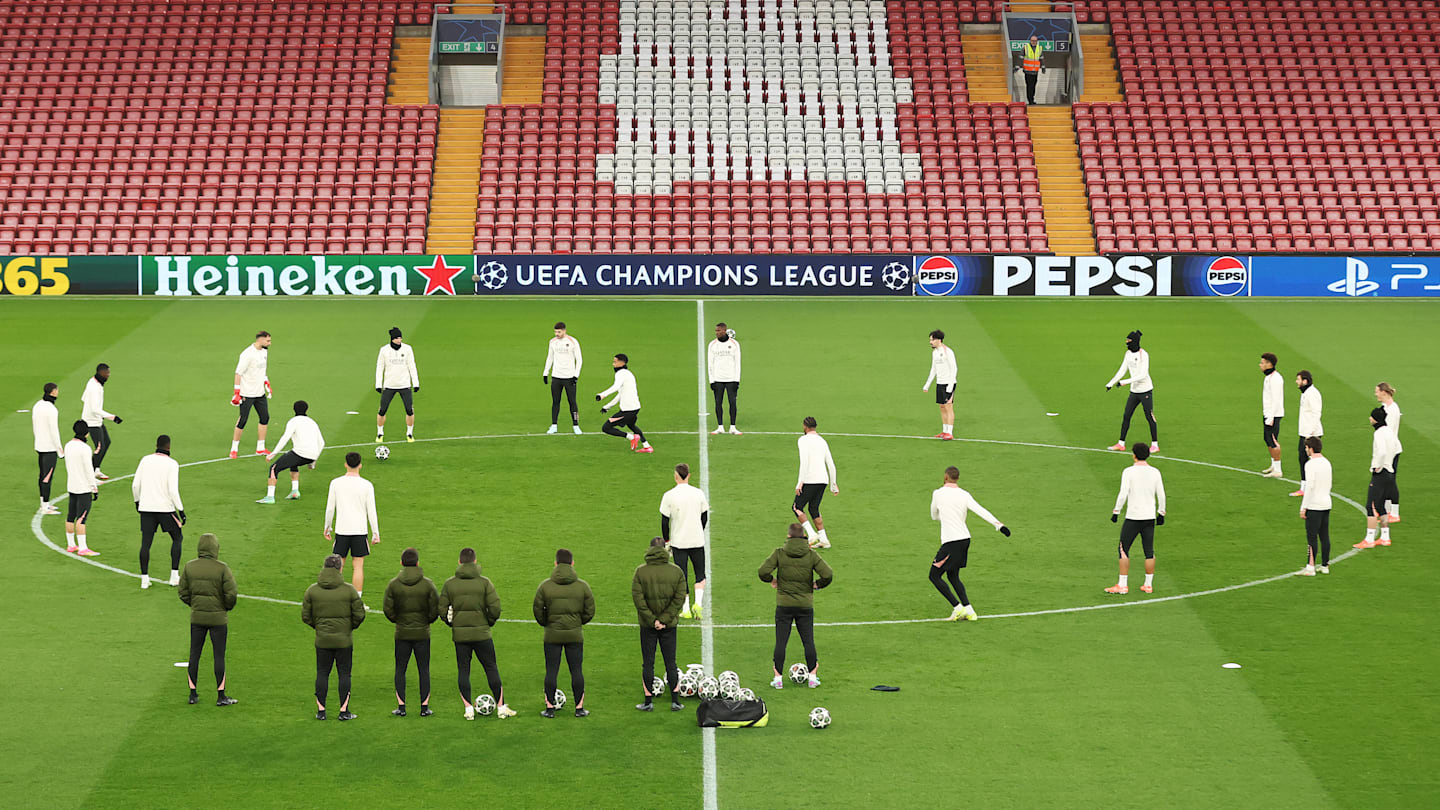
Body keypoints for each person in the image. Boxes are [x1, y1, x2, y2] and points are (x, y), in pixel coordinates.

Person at [440, 547, 516, 720]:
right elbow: (495, 608)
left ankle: (468, 710)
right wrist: (488, 622)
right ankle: (501, 708)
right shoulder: (485, 583)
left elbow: (442, 609)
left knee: (463, 670)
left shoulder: (450, 584)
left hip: (460, 636)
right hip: (482, 635)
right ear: (475, 561)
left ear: (459, 562)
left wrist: (452, 623)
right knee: (491, 668)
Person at [929, 466, 1011, 621]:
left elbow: (934, 516)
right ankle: (970, 610)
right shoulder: (964, 494)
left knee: (934, 575)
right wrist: (999, 525)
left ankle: (958, 608)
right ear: (957, 478)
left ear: (945, 477)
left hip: (951, 541)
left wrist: (944, 516)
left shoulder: (938, 493)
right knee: (953, 576)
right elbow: (980, 510)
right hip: (965, 539)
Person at [758, 523, 833, 689]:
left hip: (784, 605)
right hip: (805, 605)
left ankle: (778, 678)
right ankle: (812, 677)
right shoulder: (811, 554)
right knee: (808, 641)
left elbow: (762, 571)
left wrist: (772, 580)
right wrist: (817, 585)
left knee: (781, 642)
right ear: (804, 536)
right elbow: (828, 574)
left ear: (789, 536)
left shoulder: (779, 553)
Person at [533, 548, 595, 718]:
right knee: (576, 670)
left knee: (551, 671)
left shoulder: (545, 586)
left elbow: (537, 610)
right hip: (575, 635)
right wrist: (577, 622)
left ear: (555, 563)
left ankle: (550, 708)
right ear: (572, 563)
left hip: (552, 635)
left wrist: (547, 623)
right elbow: (590, 610)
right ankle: (579, 708)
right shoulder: (582, 586)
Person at [302, 554, 366, 721]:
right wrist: (348, 628)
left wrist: (319, 627)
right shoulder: (349, 590)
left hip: (322, 640)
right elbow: (360, 614)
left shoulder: (312, 590)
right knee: (344, 674)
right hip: (344, 641)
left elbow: (306, 616)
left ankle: (321, 711)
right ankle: (344, 711)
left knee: (322, 673)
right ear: (340, 568)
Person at [178, 533, 239, 706]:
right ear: (215, 548)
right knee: (218, 656)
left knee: (194, 654)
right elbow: (231, 594)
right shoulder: (222, 568)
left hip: (197, 617)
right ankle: (221, 696)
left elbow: (183, 592)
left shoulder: (190, 567)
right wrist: (225, 608)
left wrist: (195, 605)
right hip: (218, 619)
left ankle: (192, 694)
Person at [631, 537, 688, 712]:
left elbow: (638, 599)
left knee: (648, 663)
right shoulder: (676, 571)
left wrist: (652, 620)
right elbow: (679, 598)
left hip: (647, 626)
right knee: (671, 662)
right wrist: (664, 620)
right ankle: (675, 701)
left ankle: (648, 701)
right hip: (669, 626)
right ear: (665, 550)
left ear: (650, 550)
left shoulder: (640, 572)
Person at [383, 547, 439, 717]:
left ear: (401, 563)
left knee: (400, 669)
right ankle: (424, 707)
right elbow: (435, 609)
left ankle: (401, 707)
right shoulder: (427, 584)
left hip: (402, 633)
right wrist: (426, 621)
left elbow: (388, 609)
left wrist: (399, 621)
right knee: (424, 670)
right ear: (417, 563)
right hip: (422, 633)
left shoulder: (394, 584)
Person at [1105, 443, 1166, 595]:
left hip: (1133, 516)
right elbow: (1161, 494)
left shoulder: (1129, 472)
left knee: (1123, 549)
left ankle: (1122, 585)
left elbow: (1123, 493)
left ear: (1134, 455)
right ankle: (1148, 585)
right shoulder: (1155, 472)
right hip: (1149, 517)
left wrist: (1116, 511)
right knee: (1149, 551)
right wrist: (1161, 513)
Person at [133, 434, 185, 590]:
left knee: (146, 543)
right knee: (177, 537)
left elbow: (135, 485)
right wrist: (181, 510)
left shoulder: (145, 460)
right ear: (169, 447)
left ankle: (144, 579)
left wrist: (137, 502)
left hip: (146, 507)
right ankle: (174, 576)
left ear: (156, 445)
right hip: (165, 508)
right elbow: (173, 490)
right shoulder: (172, 464)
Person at [323, 452, 380, 597]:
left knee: (338, 565)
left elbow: (330, 508)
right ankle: (357, 599)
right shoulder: (367, 485)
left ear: (345, 464)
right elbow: (371, 511)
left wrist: (327, 527)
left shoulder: (336, 483)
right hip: (359, 531)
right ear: (360, 465)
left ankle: (336, 597)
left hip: (342, 530)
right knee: (358, 566)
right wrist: (375, 533)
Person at [660, 462, 710, 620]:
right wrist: (699, 530)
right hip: (697, 540)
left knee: (682, 576)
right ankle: (698, 604)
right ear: (689, 475)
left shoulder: (669, 495)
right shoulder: (698, 493)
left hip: (678, 542)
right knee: (700, 574)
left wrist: (667, 540)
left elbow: (664, 522)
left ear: (676, 477)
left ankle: (686, 609)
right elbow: (704, 516)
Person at [257, 400, 324, 504]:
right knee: (293, 463)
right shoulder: (312, 422)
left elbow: (285, 438)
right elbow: (322, 443)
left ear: (294, 409)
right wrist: (313, 461)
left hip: (301, 452)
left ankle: (270, 497)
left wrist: (273, 453)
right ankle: (295, 491)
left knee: (274, 468)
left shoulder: (293, 421)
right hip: (313, 455)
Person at [1105, 330, 1158, 453]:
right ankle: (1121, 443)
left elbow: (1143, 375)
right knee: (1126, 415)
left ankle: (1155, 444)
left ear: (1135, 341)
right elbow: (1122, 370)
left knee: (1149, 416)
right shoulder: (1128, 354)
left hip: (1145, 391)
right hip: (1134, 391)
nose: (1127, 343)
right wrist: (1111, 383)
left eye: (1129, 341)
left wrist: (1125, 382)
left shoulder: (1144, 355)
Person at [1355, 407, 1400, 550]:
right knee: (1380, 505)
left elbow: (1381, 452)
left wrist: (1377, 466)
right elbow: (1397, 449)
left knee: (1371, 505)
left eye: (1371, 417)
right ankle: (1385, 537)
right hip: (1390, 472)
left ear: (1376, 419)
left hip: (1381, 473)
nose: (1370, 419)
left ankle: (1369, 539)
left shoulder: (1379, 433)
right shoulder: (1389, 431)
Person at [792, 416, 838, 548]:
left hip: (810, 479)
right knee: (813, 509)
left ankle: (812, 534)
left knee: (797, 507)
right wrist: (833, 484)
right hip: (823, 480)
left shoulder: (803, 440)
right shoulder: (822, 441)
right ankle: (824, 539)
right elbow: (831, 464)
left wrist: (800, 482)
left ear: (805, 426)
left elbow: (804, 462)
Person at [597, 353, 652, 453]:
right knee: (631, 425)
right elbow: (620, 395)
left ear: (622, 363)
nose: (613, 364)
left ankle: (631, 437)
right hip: (635, 408)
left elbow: (615, 387)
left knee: (606, 428)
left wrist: (602, 395)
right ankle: (647, 446)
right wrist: (607, 406)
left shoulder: (621, 374)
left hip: (628, 410)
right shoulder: (628, 374)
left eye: (615, 362)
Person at [230, 331, 272, 459]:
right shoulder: (247, 354)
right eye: (268, 341)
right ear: (260, 340)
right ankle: (234, 449)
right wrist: (237, 393)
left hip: (260, 393)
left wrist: (266, 382)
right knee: (243, 420)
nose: (269, 343)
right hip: (247, 393)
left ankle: (260, 447)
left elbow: (262, 370)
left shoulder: (264, 352)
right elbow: (238, 373)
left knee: (265, 417)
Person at [376, 326, 420, 444]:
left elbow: (412, 366)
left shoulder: (407, 349)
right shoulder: (384, 350)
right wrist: (378, 384)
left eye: (400, 338)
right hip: (389, 385)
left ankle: (409, 433)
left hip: (404, 385)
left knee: (409, 410)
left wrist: (415, 383)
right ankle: (380, 433)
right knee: (382, 410)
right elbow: (380, 368)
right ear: (392, 339)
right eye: (397, 338)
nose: (399, 340)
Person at [62, 421, 100, 556]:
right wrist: (94, 487)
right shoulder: (85, 448)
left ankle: (71, 544)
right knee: (81, 518)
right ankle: (83, 548)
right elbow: (88, 469)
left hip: (71, 485)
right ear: (86, 433)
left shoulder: (68, 445)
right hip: (83, 487)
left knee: (70, 516)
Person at [81, 362, 122, 480]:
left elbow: (84, 398)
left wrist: (98, 414)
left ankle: (96, 470)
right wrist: (113, 417)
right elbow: (94, 409)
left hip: (97, 419)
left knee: (106, 442)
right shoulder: (94, 387)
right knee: (99, 448)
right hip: (91, 422)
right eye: (107, 373)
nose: (108, 375)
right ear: (100, 372)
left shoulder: (94, 382)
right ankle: (90, 476)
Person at [1297, 437, 1332, 576]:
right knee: (1324, 536)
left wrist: (1303, 507)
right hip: (1326, 503)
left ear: (1311, 448)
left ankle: (1310, 567)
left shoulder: (1310, 464)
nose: (1306, 450)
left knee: (1311, 537)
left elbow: (1309, 487)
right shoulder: (1326, 462)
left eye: (1306, 448)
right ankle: (1325, 565)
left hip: (1314, 505)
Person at [544, 321, 584, 435]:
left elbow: (579, 360)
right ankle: (554, 425)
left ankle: (576, 426)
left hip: (569, 377)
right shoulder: (552, 342)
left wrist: (576, 375)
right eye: (555, 332)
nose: (557, 334)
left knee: (572, 402)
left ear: (564, 331)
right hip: (556, 377)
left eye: (559, 332)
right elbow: (550, 358)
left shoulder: (573, 341)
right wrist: (545, 373)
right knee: (555, 401)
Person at [1291, 370, 1323, 497]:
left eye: (1298, 380)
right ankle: (1305, 487)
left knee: (1310, 460)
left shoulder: (1312, 394)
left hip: (1311, 433)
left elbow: (1316, 412)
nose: (1296, 382)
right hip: (1305, 432)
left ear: (1305, 381)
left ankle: (1311, 487)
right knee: (1303, 458)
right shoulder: (1305, 393)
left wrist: (1310, 433)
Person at [32, 382, 63, 516]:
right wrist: (60, 449)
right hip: (49, 447)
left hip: (40, 445)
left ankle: (44, 503)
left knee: (42, 475)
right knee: (47, 477)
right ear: (53, 392)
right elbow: (54, 431)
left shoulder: (37, 405)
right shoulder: (51, 409)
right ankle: (45, 506)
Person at [922, 329, 958, 440]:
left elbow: (954, 368)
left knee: (948, 407)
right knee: (942, 407)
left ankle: (950, 433)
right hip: (940, 383)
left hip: (948, 383)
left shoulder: (948, 352)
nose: (930, 342)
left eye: (932, 340)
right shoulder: (935, 353)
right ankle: (944, 431)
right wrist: (927, 384)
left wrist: (950, 386)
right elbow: (933, 369)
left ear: (939, 340)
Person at [1375, 382, 1403, 522]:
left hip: (1391, 450)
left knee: (1390, 481)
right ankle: (1385, 510)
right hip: (1387, 449)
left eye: (1377, 391)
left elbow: (1389, 433)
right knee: (1386, 481)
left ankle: (1395, 513)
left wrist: (1385, 455)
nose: (1376, 394)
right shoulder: (1386, 407)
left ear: (1383, 392)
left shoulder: (1391, 411)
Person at [707, 322, 742, 435]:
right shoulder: (712, 345)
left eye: (719, 331)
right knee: (718, 403)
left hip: (731, 379)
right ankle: (720, 427)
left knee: (732, 403)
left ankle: (733, 427)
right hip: (718, 379)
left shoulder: (734, 344)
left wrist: (737, 380)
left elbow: (737, 363)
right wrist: (711, 380)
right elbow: (710, 363)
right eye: (716, 331)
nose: (717, 333)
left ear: (724, 330)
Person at [1259, 352, 1285, 478]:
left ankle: (1278, 470)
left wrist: (1271, 417)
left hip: (1273, 415)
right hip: (1268, 413)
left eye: (1262, 363)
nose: (1260, 365)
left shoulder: (1276, 379)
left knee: (1273, 440)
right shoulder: (1268, 377)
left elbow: (1276, 399)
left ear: (1269, 364)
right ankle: (1274, 465)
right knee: (1267, 439)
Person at [1021, 34, 1045, 104]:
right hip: (1027, 71)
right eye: (1032, 40)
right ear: (1030, 41)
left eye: (1035, 41)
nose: (1033, 42)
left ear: (1037, 41)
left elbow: (1041, 58)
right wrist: (1018, 66)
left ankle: (1032, 98)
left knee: (1034, 85)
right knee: (1029, 86)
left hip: (1035, 71)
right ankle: (1030, 100)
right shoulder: (1026, 48)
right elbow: (1021, 57)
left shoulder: (1039, 48)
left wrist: (1043, 67)